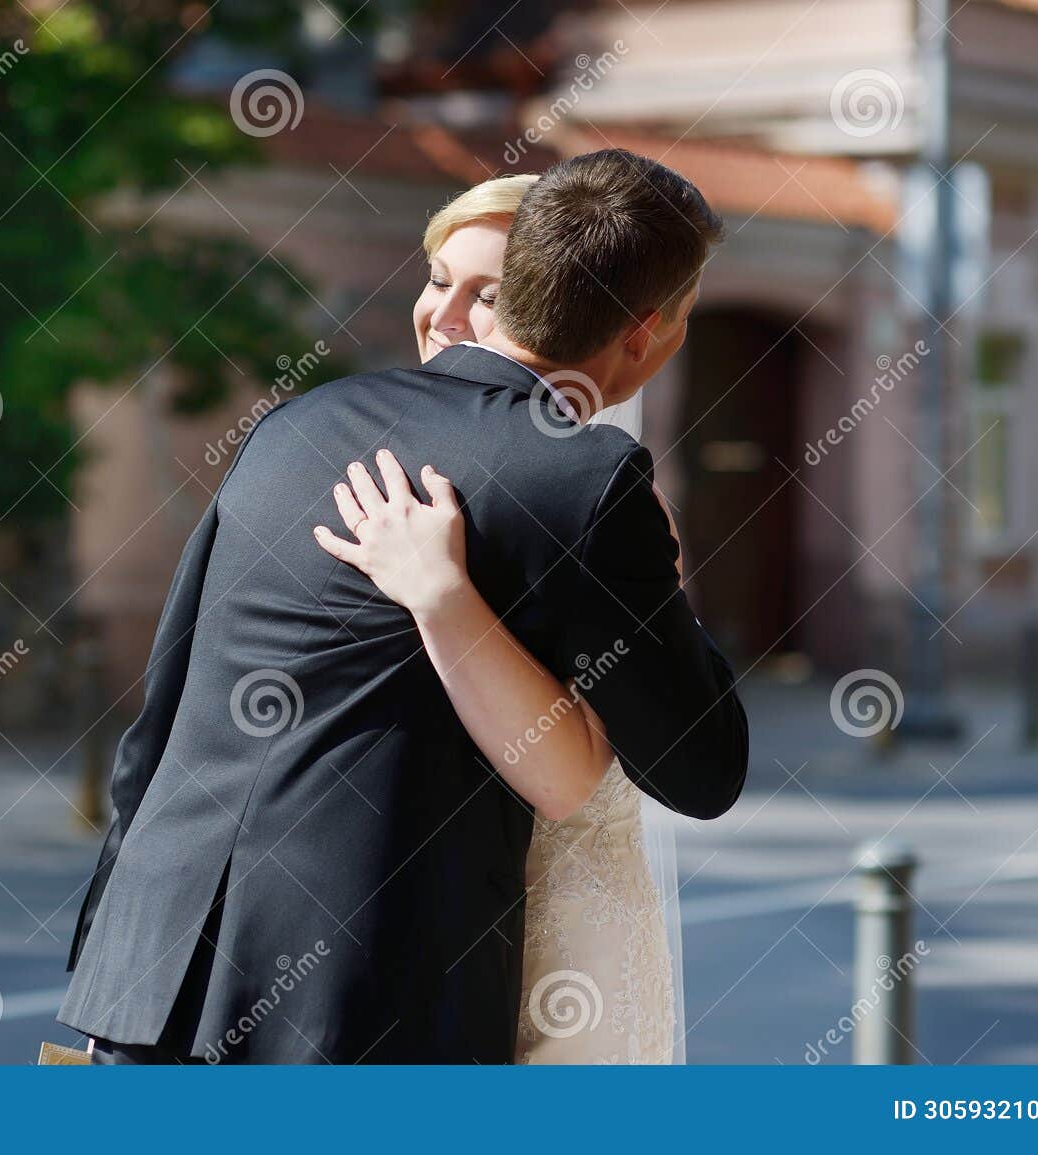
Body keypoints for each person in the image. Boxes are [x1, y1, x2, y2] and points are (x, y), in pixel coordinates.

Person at [57, 148, 748, 1064]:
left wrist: (106, 969)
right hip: (355, 1012)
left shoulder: (292, 428)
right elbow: (702, 768)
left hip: (151, 984)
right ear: (646, 333)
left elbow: (166, 713)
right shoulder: (581, 478)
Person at [315, 172, 692, 1063]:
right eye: (438, 277)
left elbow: (601, 759)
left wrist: (443, 593)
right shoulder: (357, 464)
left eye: (486, 294)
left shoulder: (592, 501)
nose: (444, 315)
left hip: (555, 921)